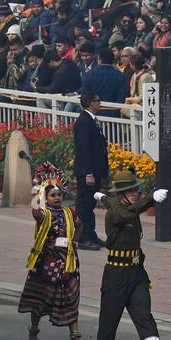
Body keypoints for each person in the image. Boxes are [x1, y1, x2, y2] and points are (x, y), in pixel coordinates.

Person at [90, 172, 171, 340]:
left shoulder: (124, 206)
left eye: (137, 190)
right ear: (122, 195)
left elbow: (125, 206)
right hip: (116, 273)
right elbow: (127, 212)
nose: (137, 193)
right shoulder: (116, 213)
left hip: (136, 272)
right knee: (110, 319)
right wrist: (151, 199)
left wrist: (102, 197)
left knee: (143, 314)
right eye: (132, 190)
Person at [19, 166, 88, 340]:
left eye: (59, 195)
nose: (57, 198)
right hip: (46, 260)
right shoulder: (44, 214)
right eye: (53, 195)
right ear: (46, 197)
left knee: (72, 294)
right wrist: (36, 187)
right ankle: (34, 329)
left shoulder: (69, 213)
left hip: (69, 259)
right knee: (41, 297)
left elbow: (80, 226)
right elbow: (35, 211)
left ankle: (75, 335)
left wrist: (75, 242)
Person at [72, 93, 109, 250]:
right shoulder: (83, 122)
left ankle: (91, 234)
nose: (100, 103)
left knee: (90, 204)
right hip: (87, 171)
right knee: (84, 205)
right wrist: (88, 172)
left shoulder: (92, 120)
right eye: (97, 101)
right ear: (89, 103)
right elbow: (83, 150)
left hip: (95, 169)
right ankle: (82, 237)